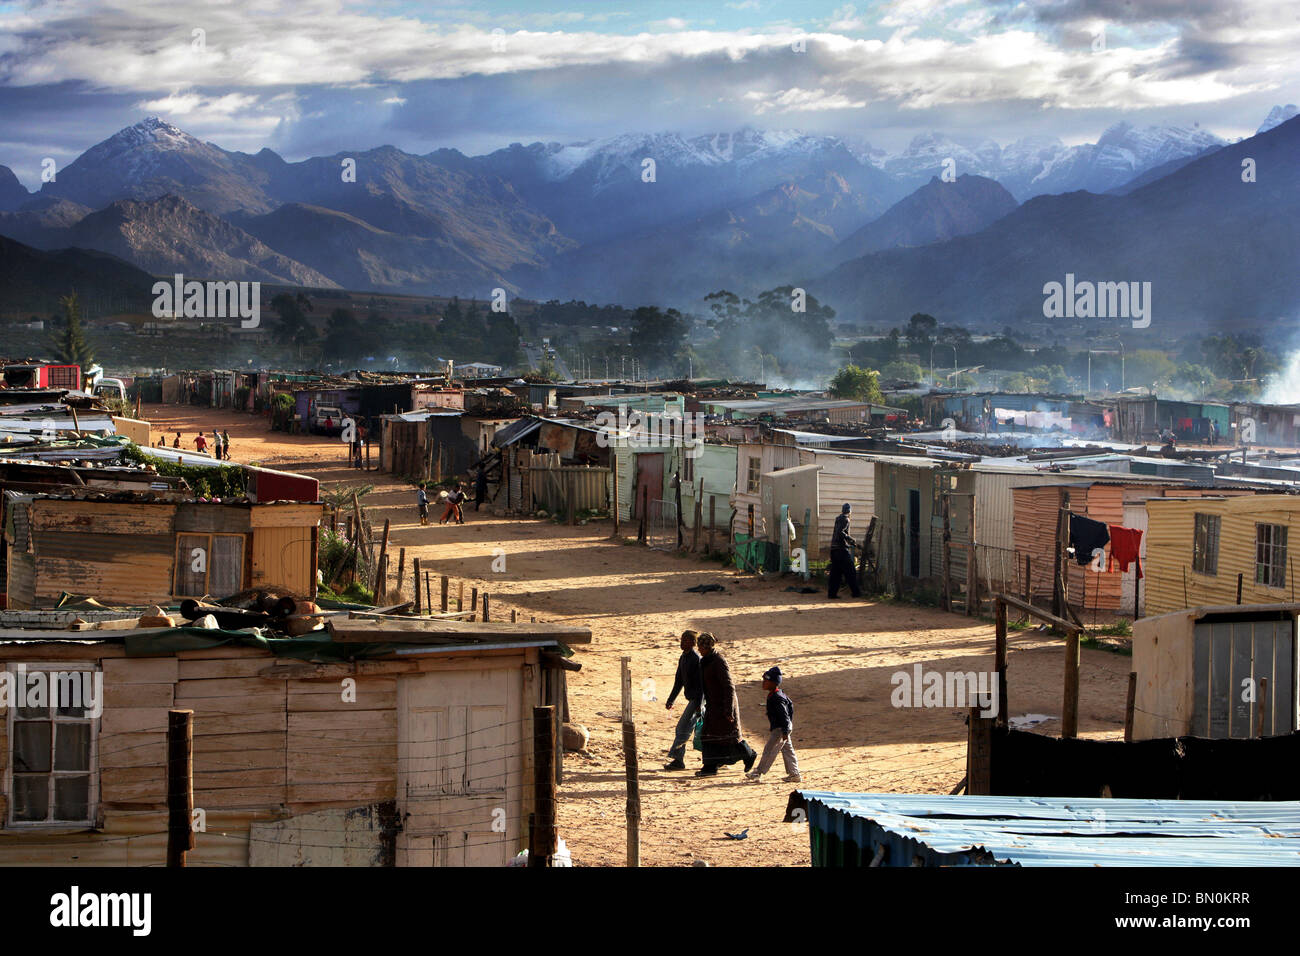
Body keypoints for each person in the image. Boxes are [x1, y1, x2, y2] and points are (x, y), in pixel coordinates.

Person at [695, 633, 756, 777]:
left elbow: (729, 687)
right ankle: (710, 766)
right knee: (710, 735)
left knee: (729, 736)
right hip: (712, 705)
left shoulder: (718, 661)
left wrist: (728, 710)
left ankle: (749, 754)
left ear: (707, 647)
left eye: (701, 647)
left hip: (723, 705)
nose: (699, 650)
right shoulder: (705, 661)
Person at [746, 666, 801, 783]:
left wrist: (785, 731)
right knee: (787, 750)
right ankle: (794, 774)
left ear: (773, 683)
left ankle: (758, 772)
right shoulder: (777, 694)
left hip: (781, 729)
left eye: (766, 681)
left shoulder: (777, 698)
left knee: (769, 750)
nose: (763, 683)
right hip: (784, 727)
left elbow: (784, 715)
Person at [663, 630, 704, 771]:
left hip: (698, 700)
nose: (682, 643)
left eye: (686, 641)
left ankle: (678, 759)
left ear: (693, 643)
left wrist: (699, 705)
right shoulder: (684, 657)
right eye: (682, 640)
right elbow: (679, 681)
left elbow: (701, 685)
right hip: (693, 699)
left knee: (682, 728)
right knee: (689, 730)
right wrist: (671, 699)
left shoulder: (695, 659)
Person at [827, 502, 861, 599]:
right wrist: (851, 540)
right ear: (849, 511)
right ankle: (856, 593)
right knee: (851, 572)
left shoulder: (838, 518)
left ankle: (832, 594)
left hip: (833, 549)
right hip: (841, 550)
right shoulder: (846, 519)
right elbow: (841, 532)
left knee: (835, 573)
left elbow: (839, 533)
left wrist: (850, 541)